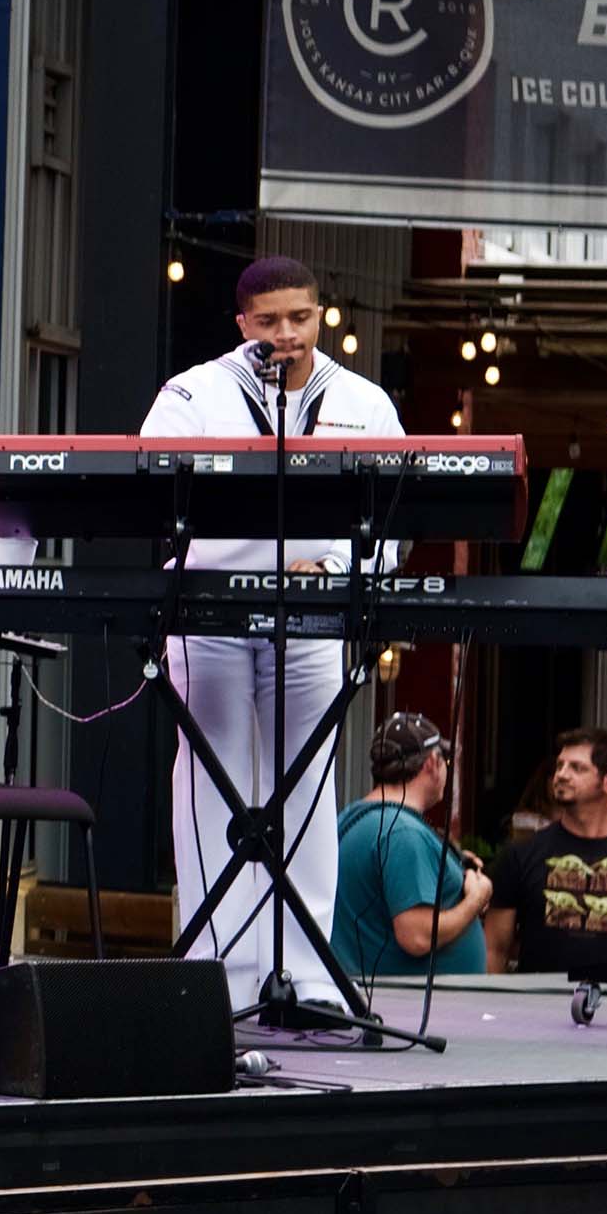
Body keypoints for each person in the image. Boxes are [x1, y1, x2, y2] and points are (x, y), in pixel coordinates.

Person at [142, 253, 401, 1012]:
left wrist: (337, 563)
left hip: (311, 620)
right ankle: (215, 976)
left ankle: (310, 980)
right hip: (206, 614)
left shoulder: (363, 401)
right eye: (267, 321)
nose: (284, 334)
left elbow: (387, 523)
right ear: (240, 324)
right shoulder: (191, 392)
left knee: (308, 789)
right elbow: (150, 488)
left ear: (320, 315)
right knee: (208, 781)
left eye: (299, 317)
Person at [486, 726, 607, 974]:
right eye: (560, 766)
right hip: (534, 1007)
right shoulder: (520, 854)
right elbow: (494, 949)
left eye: (577, 768)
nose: (561, 775)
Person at [332, 713, 486, 984]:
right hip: (410, 1012)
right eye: (445, 760)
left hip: (379, 998)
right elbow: (417, 936)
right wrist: (476, 898)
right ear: (432, 763)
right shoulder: (403, 832)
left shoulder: (356, 817)